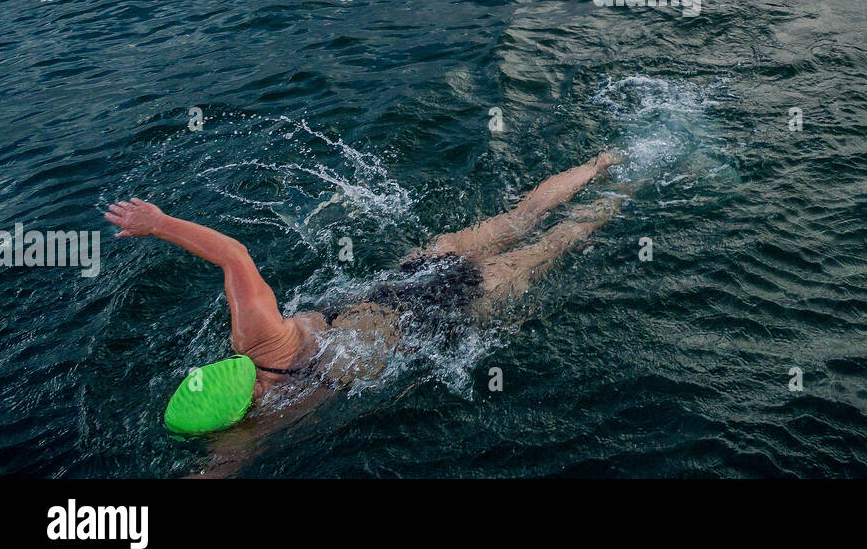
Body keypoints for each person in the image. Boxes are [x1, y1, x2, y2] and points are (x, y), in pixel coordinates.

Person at [106, 152, 625, 470]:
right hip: (409, 277)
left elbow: (216, 471)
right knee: (520, 219)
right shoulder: (256, 341)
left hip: (440, 313)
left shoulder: (254, 424)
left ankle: (627, 189)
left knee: (559, 240)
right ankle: (607, 163)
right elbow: (233, 254)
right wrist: (158, 223)